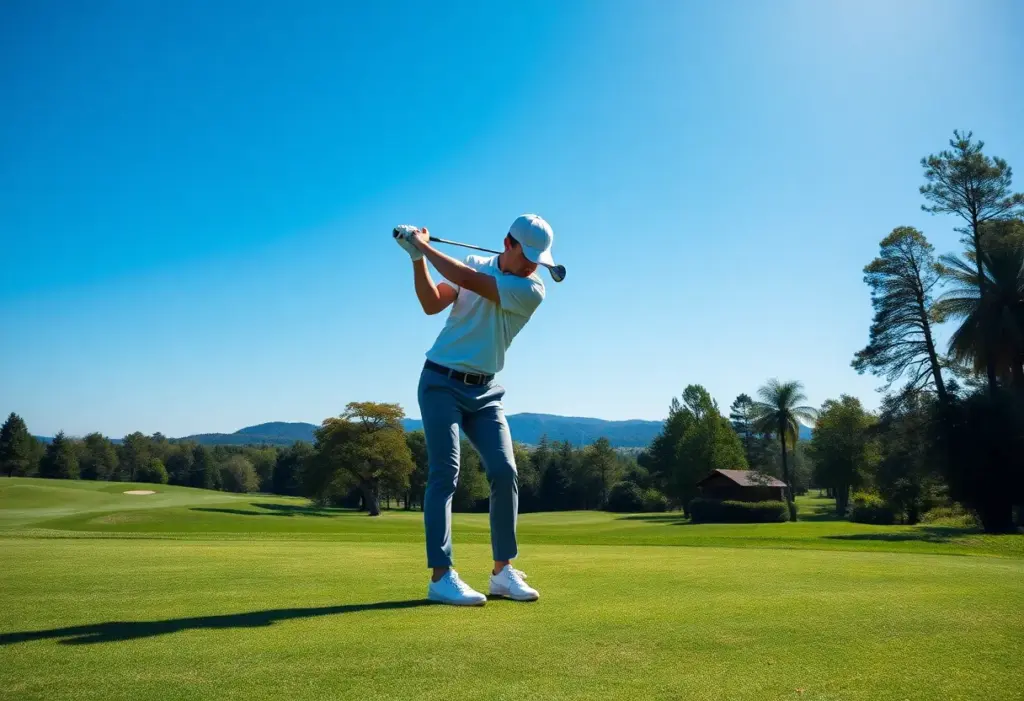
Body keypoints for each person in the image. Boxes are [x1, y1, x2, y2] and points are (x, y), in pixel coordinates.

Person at [393, 214, 557, 606]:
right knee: (445, 473)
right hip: (440, 383)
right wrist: (416, 260)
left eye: (539, 257)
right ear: (508, 243)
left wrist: (424, 247)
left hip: (485, 391)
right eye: (527, 254)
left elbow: (470, 282)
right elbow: (432, 304)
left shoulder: (532, 289)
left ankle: (502, 572)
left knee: (504, 471)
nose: (534, 264)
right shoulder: (472, 265)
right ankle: (441, 576)